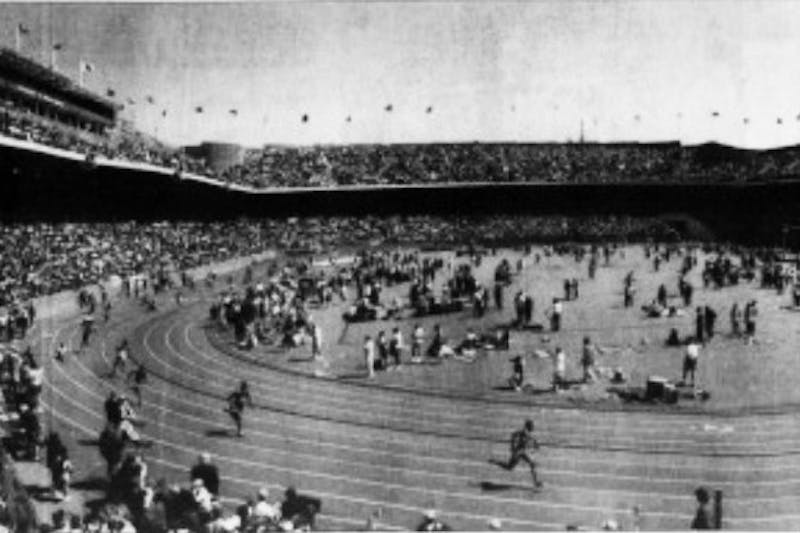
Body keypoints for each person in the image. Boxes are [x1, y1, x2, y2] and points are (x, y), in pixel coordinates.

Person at [489, 419, 543, 489]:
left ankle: (536, 482)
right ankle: (495, 462)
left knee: (532, 464)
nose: (533, 428)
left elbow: (529, 440)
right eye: (532, 426)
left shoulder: (527, 433)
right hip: (518, 452)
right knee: (509, 467)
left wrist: (535, 444)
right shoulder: (524, 433)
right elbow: (515, 435)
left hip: (523, 452)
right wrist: (513, 447)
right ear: (529, 426)